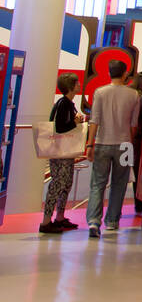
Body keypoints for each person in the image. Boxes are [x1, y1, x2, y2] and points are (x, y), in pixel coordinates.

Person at [84, 60, 141, 239]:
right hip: (125, 145)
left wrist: (89, 144)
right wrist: (129, 144)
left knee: (97, 184)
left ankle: (94, 221)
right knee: (120, 183)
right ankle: (112, 221)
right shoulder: (134, 95)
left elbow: (95, 120)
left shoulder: (100, 92)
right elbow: (134, 124)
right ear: (125, 74)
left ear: (109, 73)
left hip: (102, 142)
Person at [39, 73, 86, 234]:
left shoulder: (66, 103)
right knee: (59, 183)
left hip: (63, 151)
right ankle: (46, 221)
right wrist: (75, 122)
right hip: (61, 153)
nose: (79, 85)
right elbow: (60, 127)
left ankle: (58, 217)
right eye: (77, 83)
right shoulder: (64, 104)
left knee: (65, 183)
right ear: (71, 86)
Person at [129, 72, 142, 214]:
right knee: (139, 172)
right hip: (138, 139)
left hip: (131, 139)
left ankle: (138, 205)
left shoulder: (132, 96)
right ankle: (139, 204)